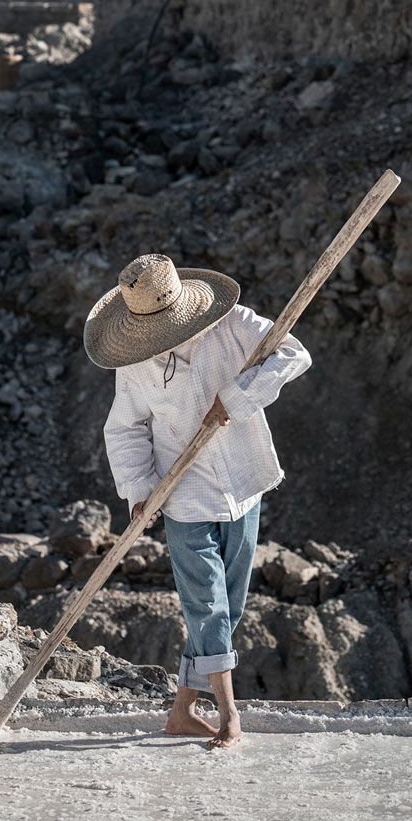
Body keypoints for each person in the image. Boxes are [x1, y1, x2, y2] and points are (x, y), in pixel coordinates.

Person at [83, 253, 311, 749]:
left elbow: (294, 354)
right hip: (182, 496)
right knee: (207, 607)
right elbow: (124, 429)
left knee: (228, 607)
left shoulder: (233, 325)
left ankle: (183, 711)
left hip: (243, 485)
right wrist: (140, 491)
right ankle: (231, 715)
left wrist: (237, 396)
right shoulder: (137, 363)